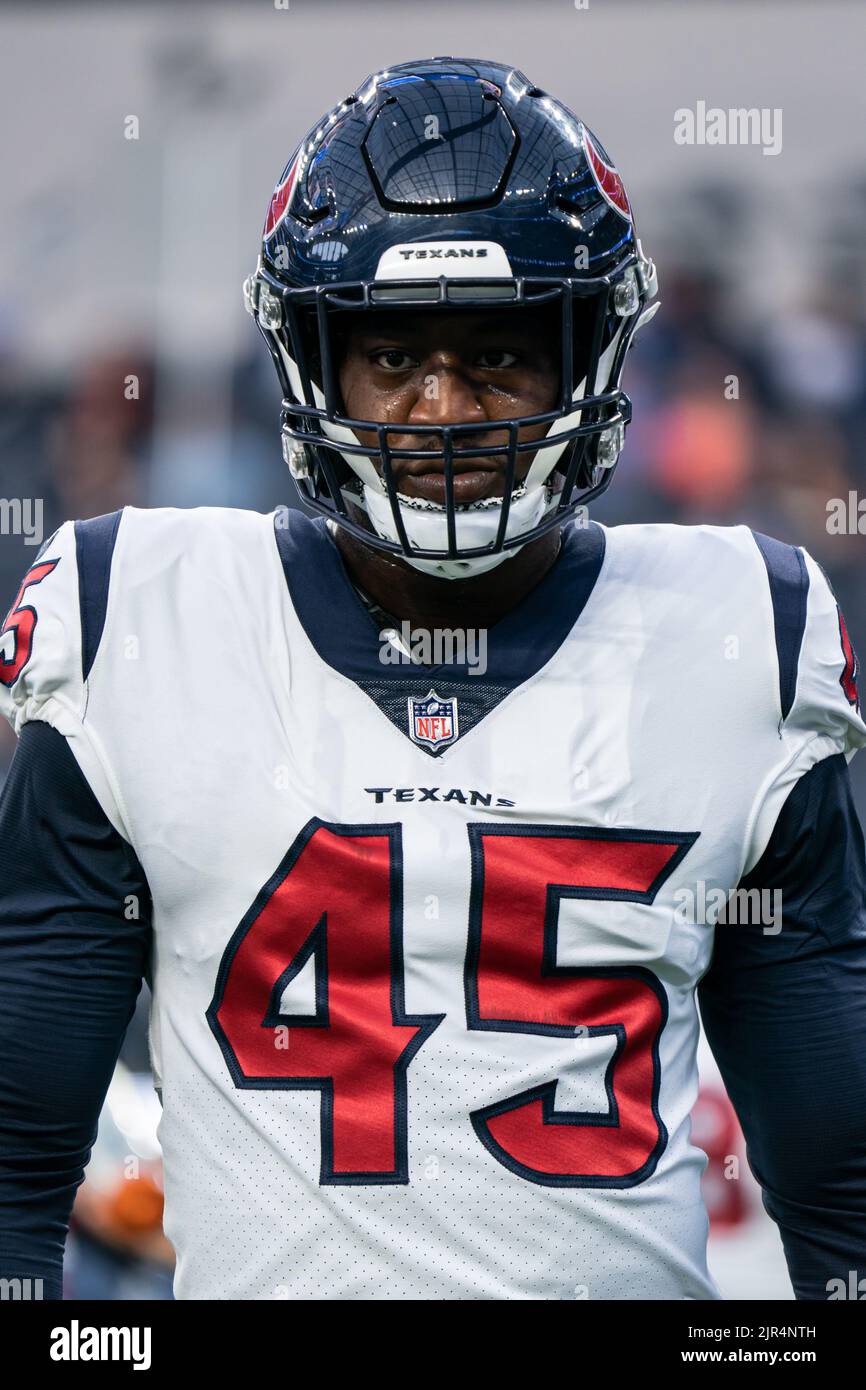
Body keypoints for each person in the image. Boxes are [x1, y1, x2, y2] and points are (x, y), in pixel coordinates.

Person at [1, 56, 864, 1302]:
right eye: (392, 354)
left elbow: (836, 1184)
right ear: (312, 364)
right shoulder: (139, 613)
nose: (442, 407)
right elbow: (21, 1155)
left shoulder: (737, 629)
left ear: (586, 359)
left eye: (497, 354)